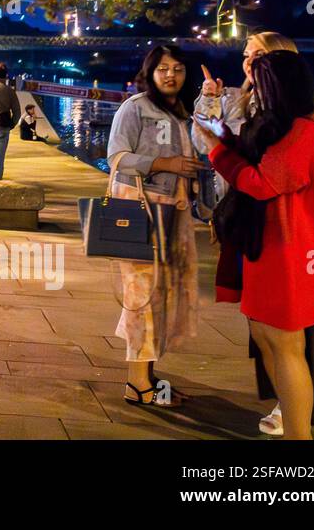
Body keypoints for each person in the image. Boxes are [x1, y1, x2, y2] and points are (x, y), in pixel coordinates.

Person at [194, 32, 314, 435]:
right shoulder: (267, 117)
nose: (249, 70)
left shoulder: (306, 127)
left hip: (292, 249)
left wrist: (217, 150)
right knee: (266, 337)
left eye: (259, 64)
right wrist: (216, 123)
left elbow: (262, 181)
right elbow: (242, 146)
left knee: (288, 345)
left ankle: (300, 429)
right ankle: (292, 413)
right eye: (248, 58)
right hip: (262, 245)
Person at [106, 44, 204, 408]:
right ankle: (136, 384)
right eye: (163, 68)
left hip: (175, 213)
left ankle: (148, 375)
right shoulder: (135, 108)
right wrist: (165, 164)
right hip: (140, 212)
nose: (170, 75)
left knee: (160, 297)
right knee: (141, 298)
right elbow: (116, 158)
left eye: (177, 68)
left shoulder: (184, 111)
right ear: (150, 72)